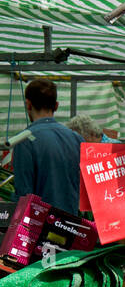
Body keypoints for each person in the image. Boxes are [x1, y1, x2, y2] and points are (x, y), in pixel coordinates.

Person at [13, 78, 83, 215]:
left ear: (28, 104)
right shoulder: (77, 139)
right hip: (71, 226)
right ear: (56, 106)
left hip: (38, 227)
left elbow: (23, 196)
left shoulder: (24, 140)